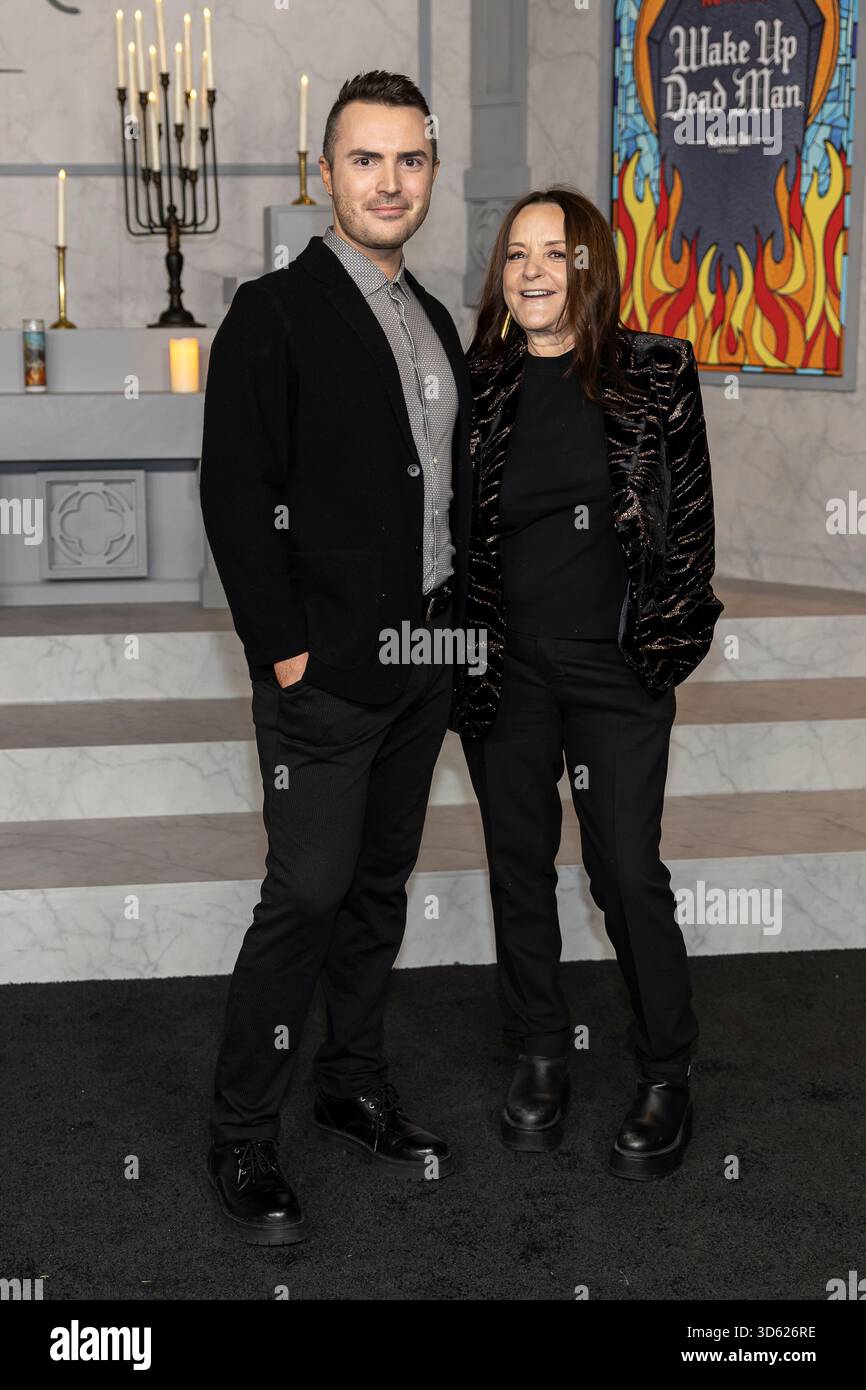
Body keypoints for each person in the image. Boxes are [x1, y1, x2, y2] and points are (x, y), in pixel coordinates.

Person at [199, 71, 473, 1243]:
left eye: (409, 160)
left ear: (430, 174)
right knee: (303, 894)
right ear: (326, 173)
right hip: (326, 674)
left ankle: (350, 1083)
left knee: (374, 891)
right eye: (366, 159)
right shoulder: (272, 311)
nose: (389, 181)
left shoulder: (437, 314)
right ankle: (241, 1134)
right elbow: (232, 495)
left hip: (421, 663)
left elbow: (442, 491)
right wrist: (288, 657)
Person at [451, 186, 724, 1179]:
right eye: (514, 253)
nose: (529, 268)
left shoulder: (654, 373)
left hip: (614, 673)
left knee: (622, 872)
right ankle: (537, 1052)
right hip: (506, 669)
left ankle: (663, 1072)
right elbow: (454, 532)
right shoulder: (478, 381)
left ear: (587, 267)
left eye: (551, 252)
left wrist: (657, 652)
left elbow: (686, 530)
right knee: (516, 865)